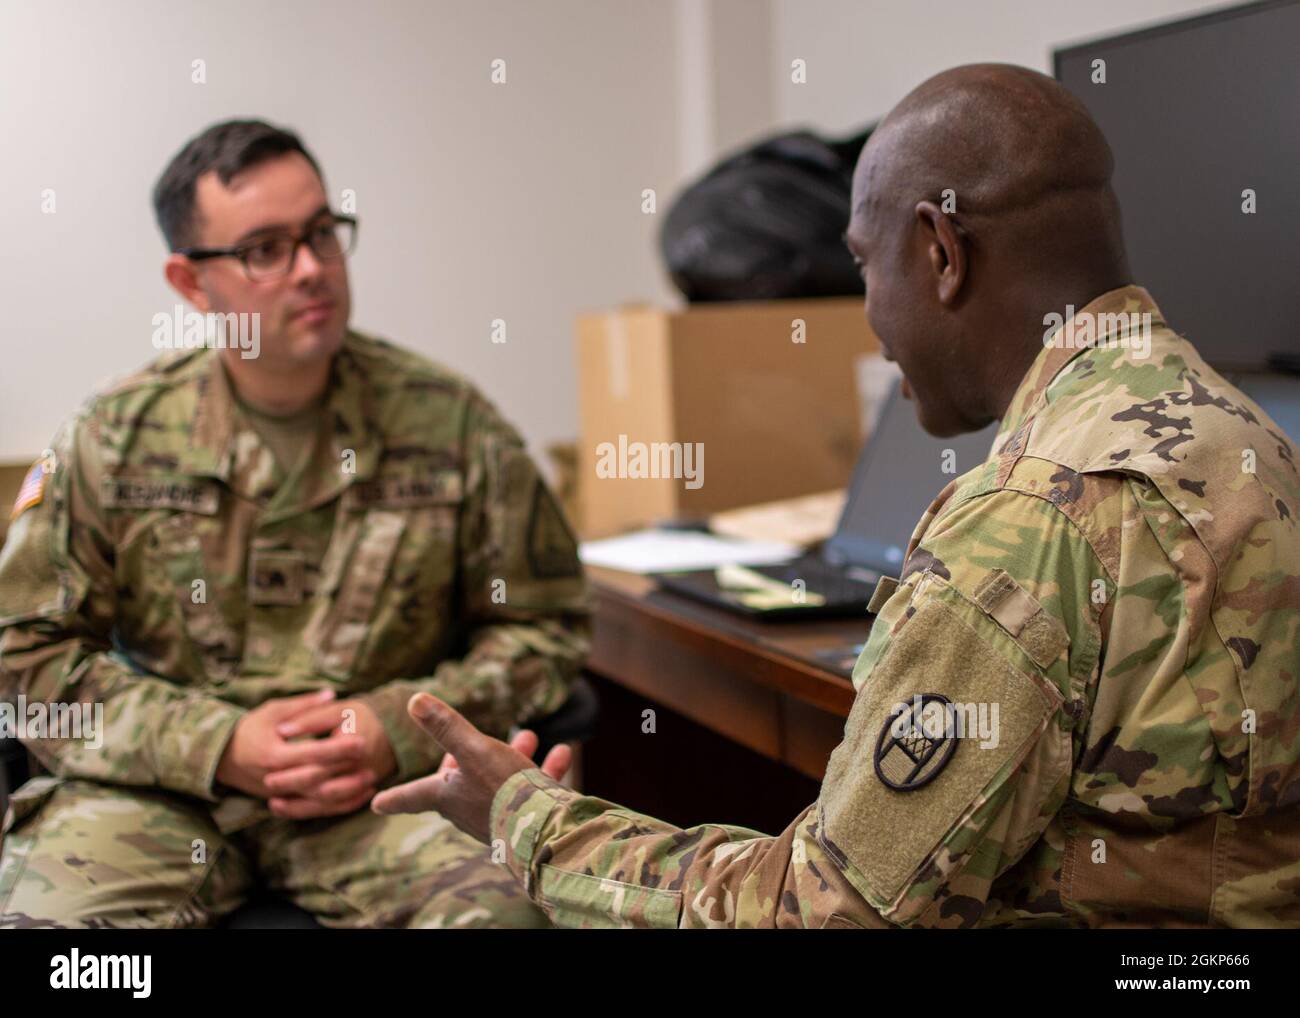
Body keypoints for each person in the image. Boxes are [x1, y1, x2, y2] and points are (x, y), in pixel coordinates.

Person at [372, 64, 1300, 928]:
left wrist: (522, 817)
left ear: (941, 252)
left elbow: (822, 911)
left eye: (864, 266)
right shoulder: (1244, 430)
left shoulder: (1036, 515)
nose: (866, 317)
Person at [0, 119, 588, 928]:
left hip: (384, 800)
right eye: (265, 249)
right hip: (160, 798)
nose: (311, 269)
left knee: (517, 917)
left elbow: (545, 626)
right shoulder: (115, 436)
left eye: (321, 234)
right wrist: (215, 743)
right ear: (190, 281)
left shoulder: (451, 423)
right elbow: (25, 661)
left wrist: (395, 727)